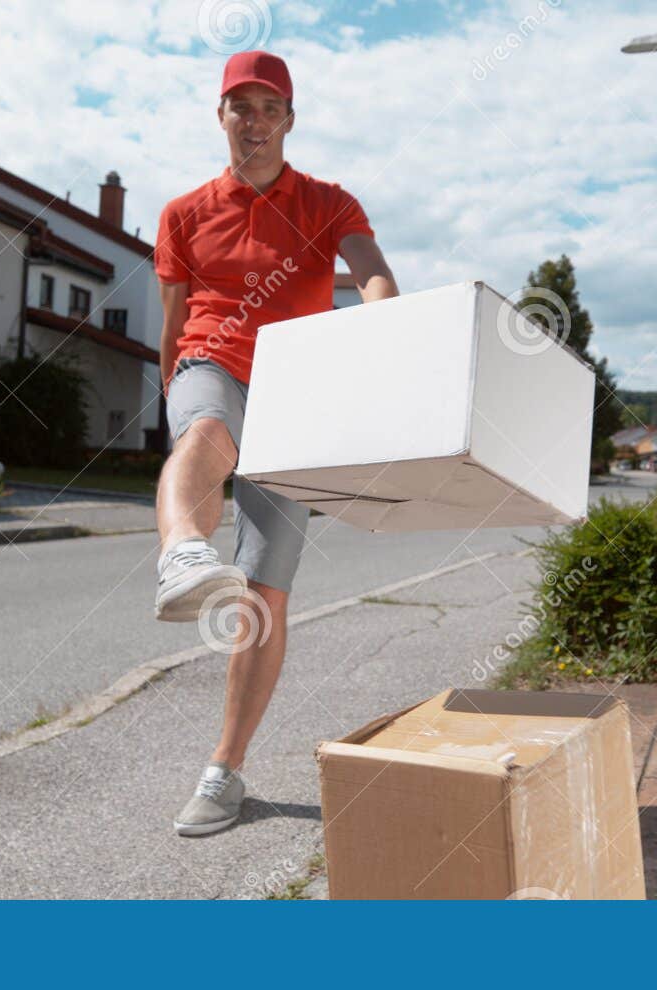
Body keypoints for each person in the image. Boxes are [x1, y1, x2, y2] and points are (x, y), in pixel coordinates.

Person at [152, 50, 399, 836]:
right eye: (239, 106)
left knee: (264, 596)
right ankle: (184, 555)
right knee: (206, 430)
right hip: (210, 363)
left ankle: (224, 771)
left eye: (269, 108)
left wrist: (385, 326)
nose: (253, 121)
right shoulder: (183, 213)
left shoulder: (328, 203)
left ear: (289, 120)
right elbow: (169, 327)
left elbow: (374, 276)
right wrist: (174, 396)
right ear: (219, 116)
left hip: (300, 393)